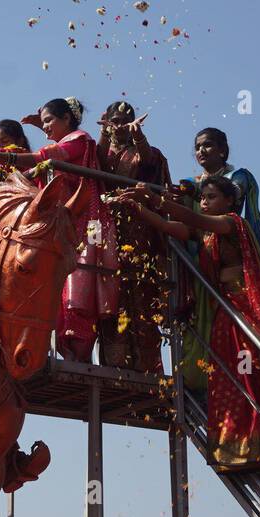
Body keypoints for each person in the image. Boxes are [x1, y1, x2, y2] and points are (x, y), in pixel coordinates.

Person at [111, 177, 260, 473]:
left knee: (246, 371)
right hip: (224, 311)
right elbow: (174, 227)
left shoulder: (232, 223)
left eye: (211, 197)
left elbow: (192, 217)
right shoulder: (207, 232)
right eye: (204, 197)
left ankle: (259, 444)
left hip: (243, 309)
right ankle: (233, 449)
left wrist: (153, 198)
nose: (206, 202)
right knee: (226, 376)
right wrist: (139, 208)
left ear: (230, 202)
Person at [0, 97, 116, 363]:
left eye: (49, 121)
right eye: (43, 122)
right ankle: (66, 350)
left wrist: (7, 156)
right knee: (59, 287)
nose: (45, 127)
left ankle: (77, 355)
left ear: (66, 119)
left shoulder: (80, 139)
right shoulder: (66, 140)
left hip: (87, 225)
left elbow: (43, 158)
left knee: (78, 289)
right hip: (69, 226)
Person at [177, 128, 260, 391]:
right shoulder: (189, 183)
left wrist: (192, 191)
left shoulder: (238, 177)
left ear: (222, 150)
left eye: (207, 145)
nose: (201, 151)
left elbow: (233, 196)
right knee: (201, 328)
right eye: (197, 147)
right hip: (199, 268)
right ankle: (202, 386)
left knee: (237, 336)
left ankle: (238, 390)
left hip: (231, 271)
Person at [95, 101, 172, 372]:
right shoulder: (101, 153)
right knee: (109, 295)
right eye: (115, 120)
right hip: (105, 234)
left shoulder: (143, 152)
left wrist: (137, 134)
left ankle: (147, 365)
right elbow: (95, 162)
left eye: (125, 120)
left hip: (139, 234)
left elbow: (149, 161)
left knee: (141, 295)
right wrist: (105, 132)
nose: (120, 125)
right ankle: (114, 364)